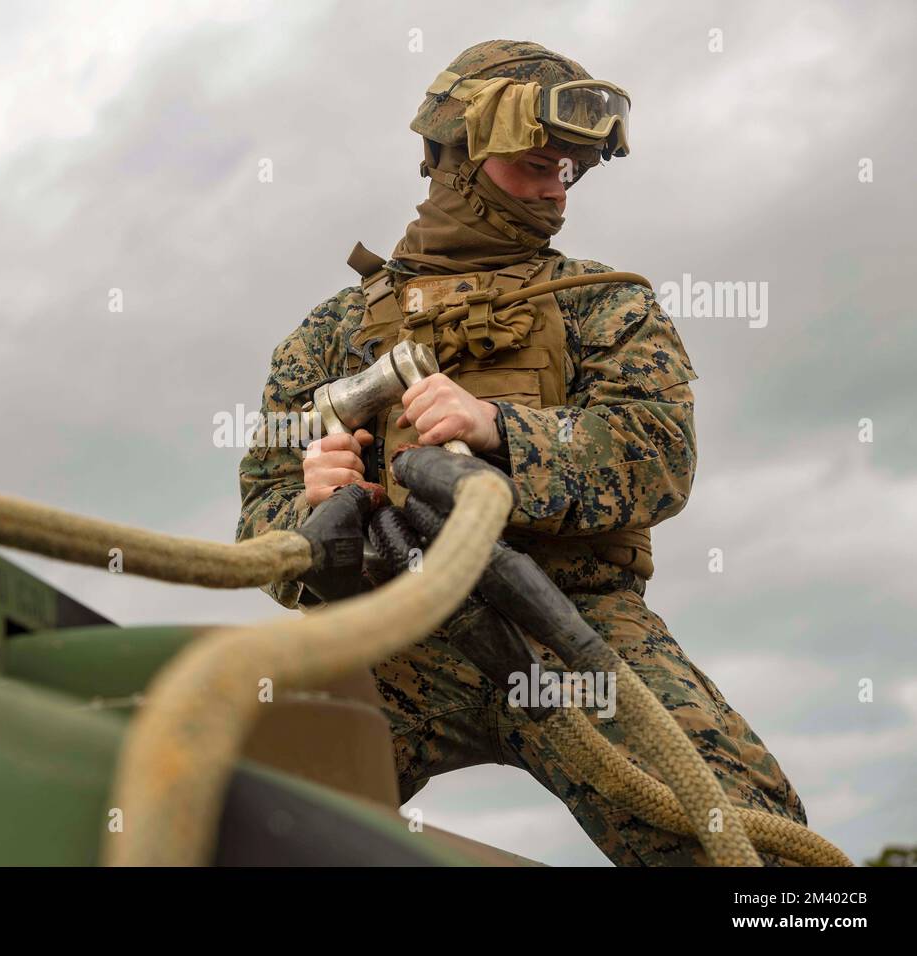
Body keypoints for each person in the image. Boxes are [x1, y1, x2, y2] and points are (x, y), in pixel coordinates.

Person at [236, 39, 808, 865]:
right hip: (390, 643)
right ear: (456, 161)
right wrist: (309, 502)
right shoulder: (329, 334)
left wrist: (500, 429)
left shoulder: (605, 302)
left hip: (572, 622)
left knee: (757, 854)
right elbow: (257, 520)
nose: (555, 193)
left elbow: (659, 451)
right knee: (205, 807)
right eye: (536, 165)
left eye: (568, 173)